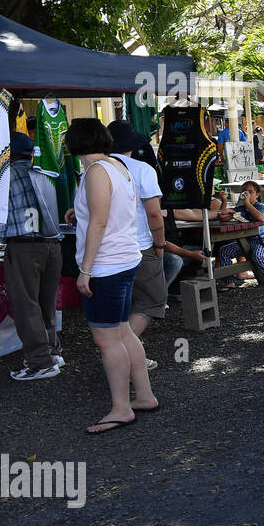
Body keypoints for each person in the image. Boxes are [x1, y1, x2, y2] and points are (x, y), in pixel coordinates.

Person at [65, 118, 158, 434]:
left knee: (106, 339)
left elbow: (100, 223)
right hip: (125, 258)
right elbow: (108, 213)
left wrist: (85, 269)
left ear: (75, 142)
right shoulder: (118, 165)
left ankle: (121, 407)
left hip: (107, 265)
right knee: (121, 331)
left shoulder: (95, 171)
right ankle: (143, 395)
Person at [0, 131, 63, 380]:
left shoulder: (5, 176)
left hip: (23, 245)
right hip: (52, 244)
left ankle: (39, 362)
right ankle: (52, 352)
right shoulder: (45, 172)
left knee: (26, 305)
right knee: (46, 302)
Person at [107, 122, 168, 370]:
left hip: (108, 248)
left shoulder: (94, 169)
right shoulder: (142, 169)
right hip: (139, 244)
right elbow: (154, 213)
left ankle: (121, 352)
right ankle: (124, 353)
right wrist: (160, 242)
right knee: (152, 299)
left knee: (121, 304)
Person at [217, 180, 264, 290]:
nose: (247, 194)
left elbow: (260, 217)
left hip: (261, 240)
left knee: (257, 256)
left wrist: (248, 204)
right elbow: (222, 217)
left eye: (250, 192)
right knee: (224, 251)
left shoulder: (261, 206)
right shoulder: (241, 208)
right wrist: (224, 200)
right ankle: (229, 281)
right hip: (245, 241)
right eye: (245, 192)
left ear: (257, 194)